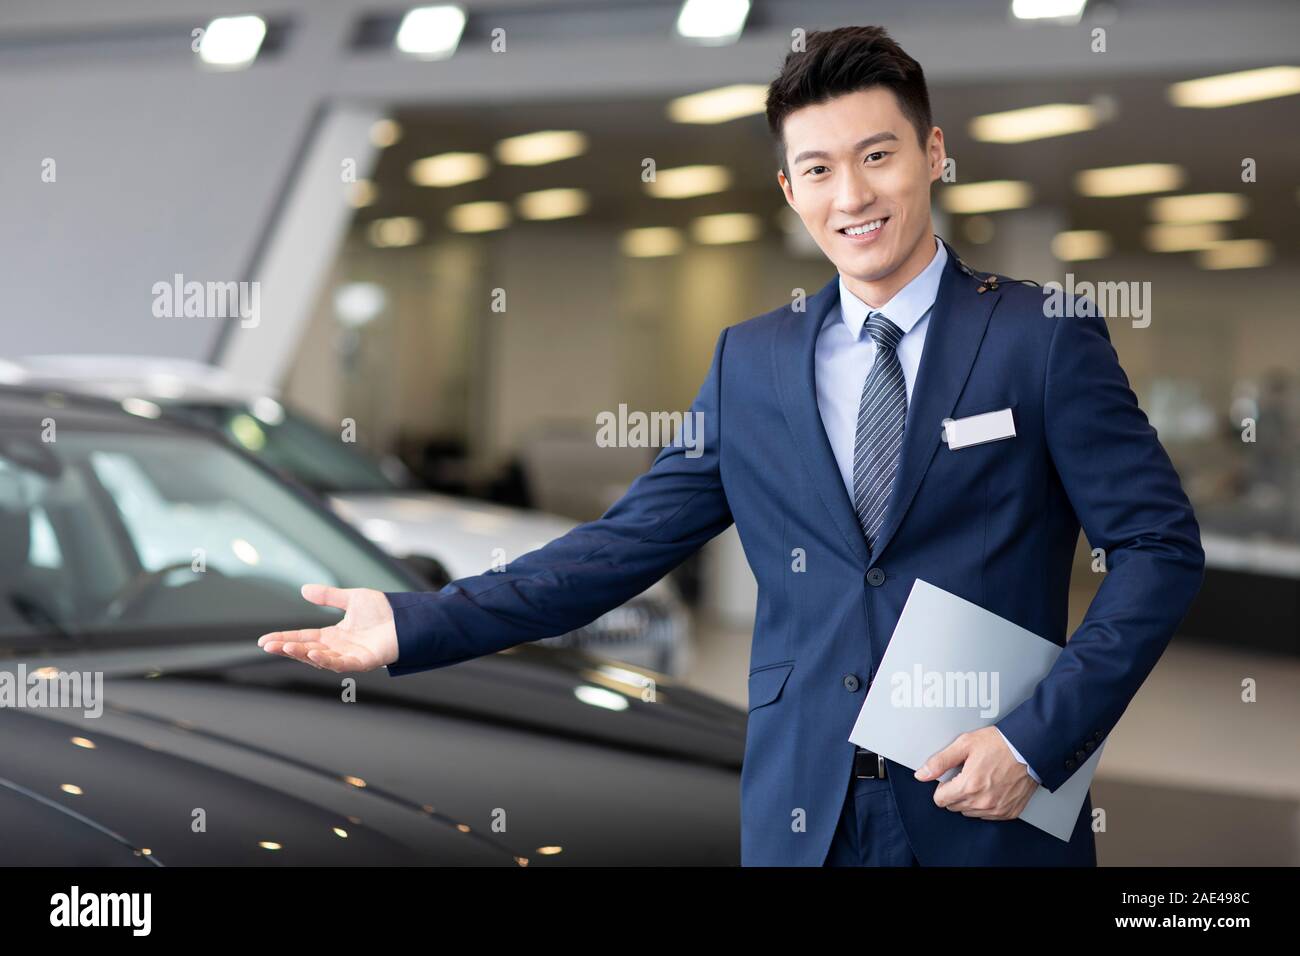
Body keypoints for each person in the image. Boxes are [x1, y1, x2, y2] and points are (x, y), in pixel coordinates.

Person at [259, 25, 1205, 866]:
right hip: (804, 810)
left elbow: (1159, 550)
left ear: (933, 153)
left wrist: (1039, 741)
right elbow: (619, 549)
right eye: (822, 169)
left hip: (988, 806)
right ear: (790, 189)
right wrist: (415, 621)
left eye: (879, 155)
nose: (855, 194)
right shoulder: (752, 363)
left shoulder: (1042, 338)